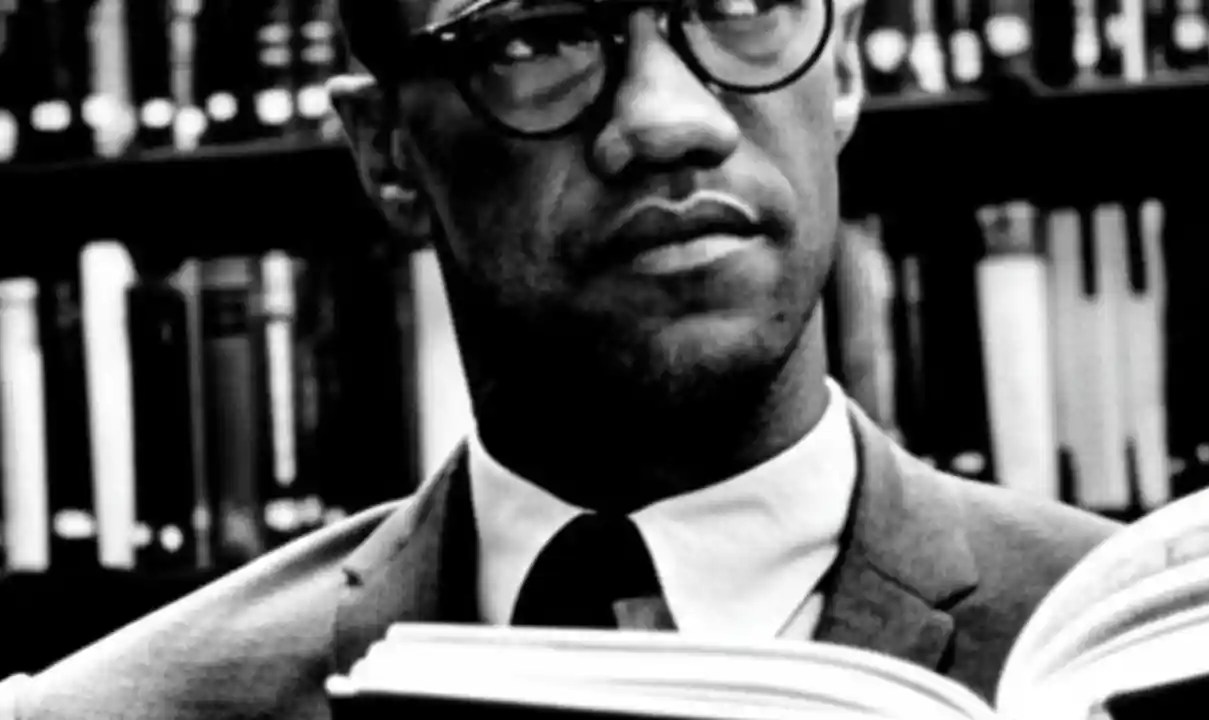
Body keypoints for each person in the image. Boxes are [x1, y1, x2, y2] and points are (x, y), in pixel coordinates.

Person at [1, 0, 1120, 717]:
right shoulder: (116, 713)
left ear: (847, 67)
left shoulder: (1139, 655)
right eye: (533, 38)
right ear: (389, 152)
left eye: (739, 6)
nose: (669, 122)